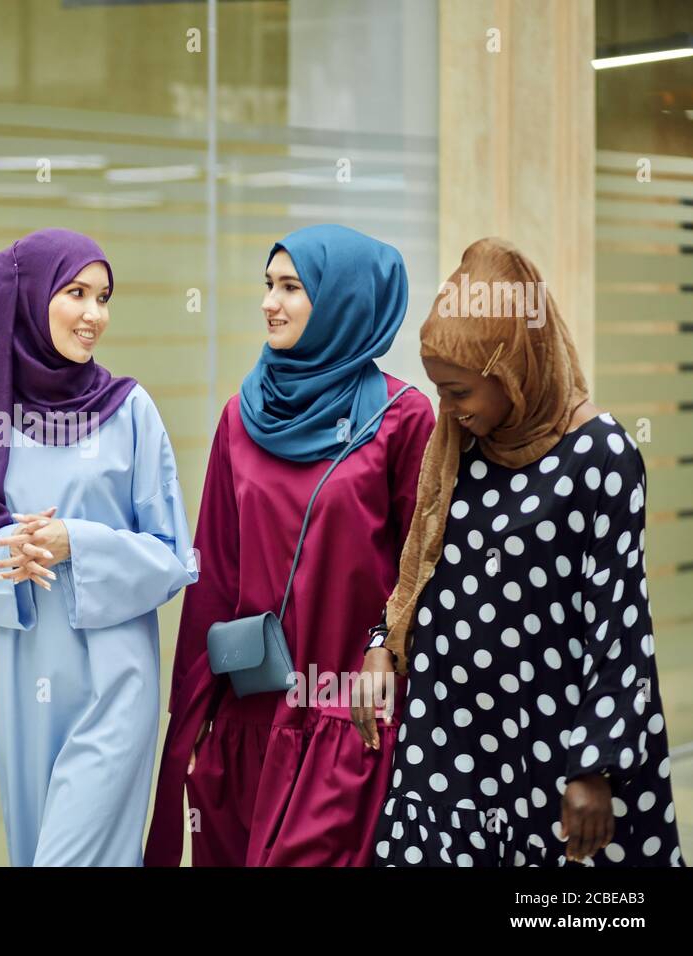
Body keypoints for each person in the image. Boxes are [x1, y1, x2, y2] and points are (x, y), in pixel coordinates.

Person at [365, 237, 684, 867]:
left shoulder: (603, 456)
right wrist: (384, 642)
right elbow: (426, 568)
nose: (447, 410)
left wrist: (594, 767)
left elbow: (620, 623)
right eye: (440, 391)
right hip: (447, 744)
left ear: (512, 370)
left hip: (551, 754)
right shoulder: (463, 444)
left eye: (459, 392)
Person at [146, 224, 434, 866]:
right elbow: (214, 574)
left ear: (344, 302)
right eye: (267, 285)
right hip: (248, 720)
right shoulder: (239, 417)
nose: (269, 303)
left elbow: (425, 570)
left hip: (345, 721)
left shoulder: (403, 419)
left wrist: (387, 650)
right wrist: (192, 723)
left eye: (291, 287)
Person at [0, 228, 197, 866]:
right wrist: (8, 554)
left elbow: (172, 555)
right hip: (26, 675)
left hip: (116, 676)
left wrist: (77, 540)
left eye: (103, 297)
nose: (94, 314)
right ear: (29, 297)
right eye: (76, 293)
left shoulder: (131, 410)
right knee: (34, 850)